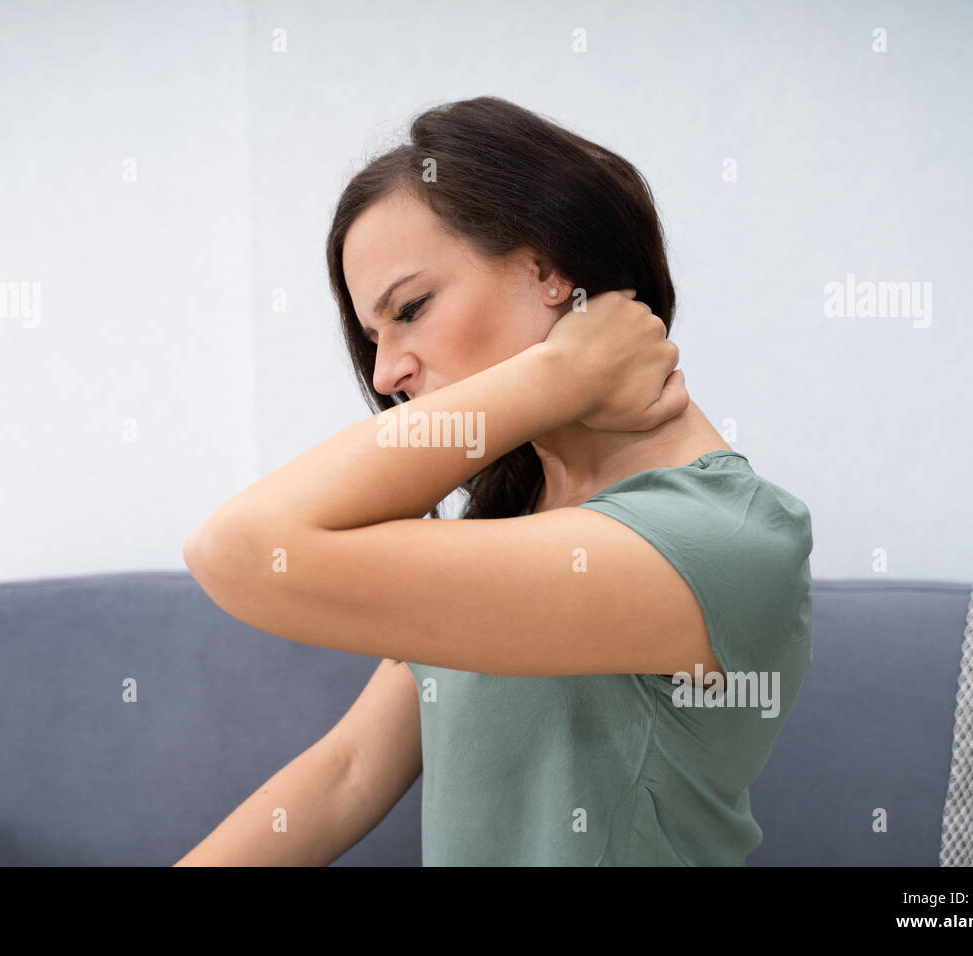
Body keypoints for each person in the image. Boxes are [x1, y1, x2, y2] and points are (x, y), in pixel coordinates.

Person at [176, 96, 813, 866]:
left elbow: (240, 551)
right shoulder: (512, 519)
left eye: (411, 308)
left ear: (548, 271)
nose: (385, 372)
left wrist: (561, 375)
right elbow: (348, 773)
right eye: (373, 337)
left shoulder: (720, 538)